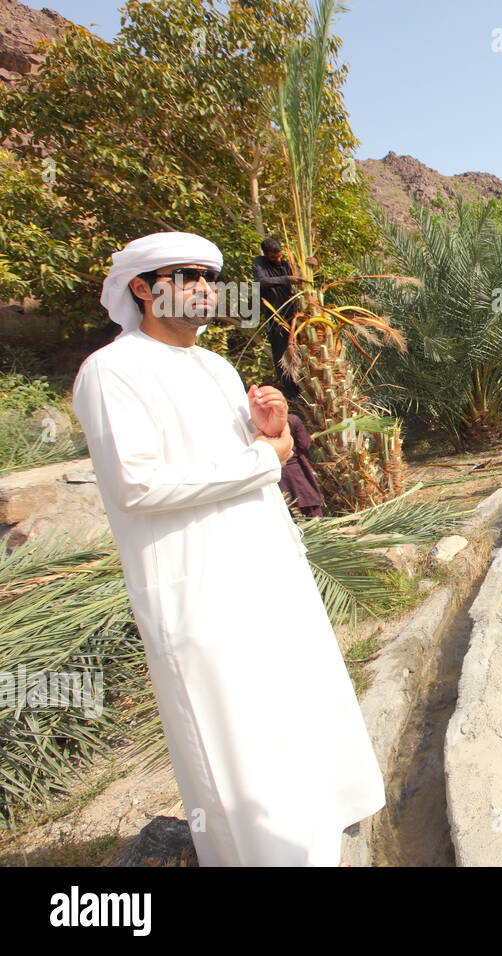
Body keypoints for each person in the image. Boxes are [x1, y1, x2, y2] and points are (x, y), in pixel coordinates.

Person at [72, 232, 385, 866]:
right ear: (142, 287)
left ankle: (315, 834)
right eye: (187, 275)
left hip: (264, 567)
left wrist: (270, 433)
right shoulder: (111, 370)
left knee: (291, 703)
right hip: (195, 585)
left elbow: (253, 461)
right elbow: (137, 484)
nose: (205, 288)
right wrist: (261, 457)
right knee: (233, 729)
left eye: (211, 277)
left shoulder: (215, 368)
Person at [251, 237, 304, 399]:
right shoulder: (259, 263)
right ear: (266, 254)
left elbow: (301, 278)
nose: (278, 260)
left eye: (280, 256)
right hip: (275, 316)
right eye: (274, 257)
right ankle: (291, 393)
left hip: (293, 315)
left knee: (299, 351)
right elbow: (260, 281)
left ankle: (304, 387)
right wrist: (286, 279)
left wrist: (310, 266)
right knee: (282, 354)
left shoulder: (286, 264)